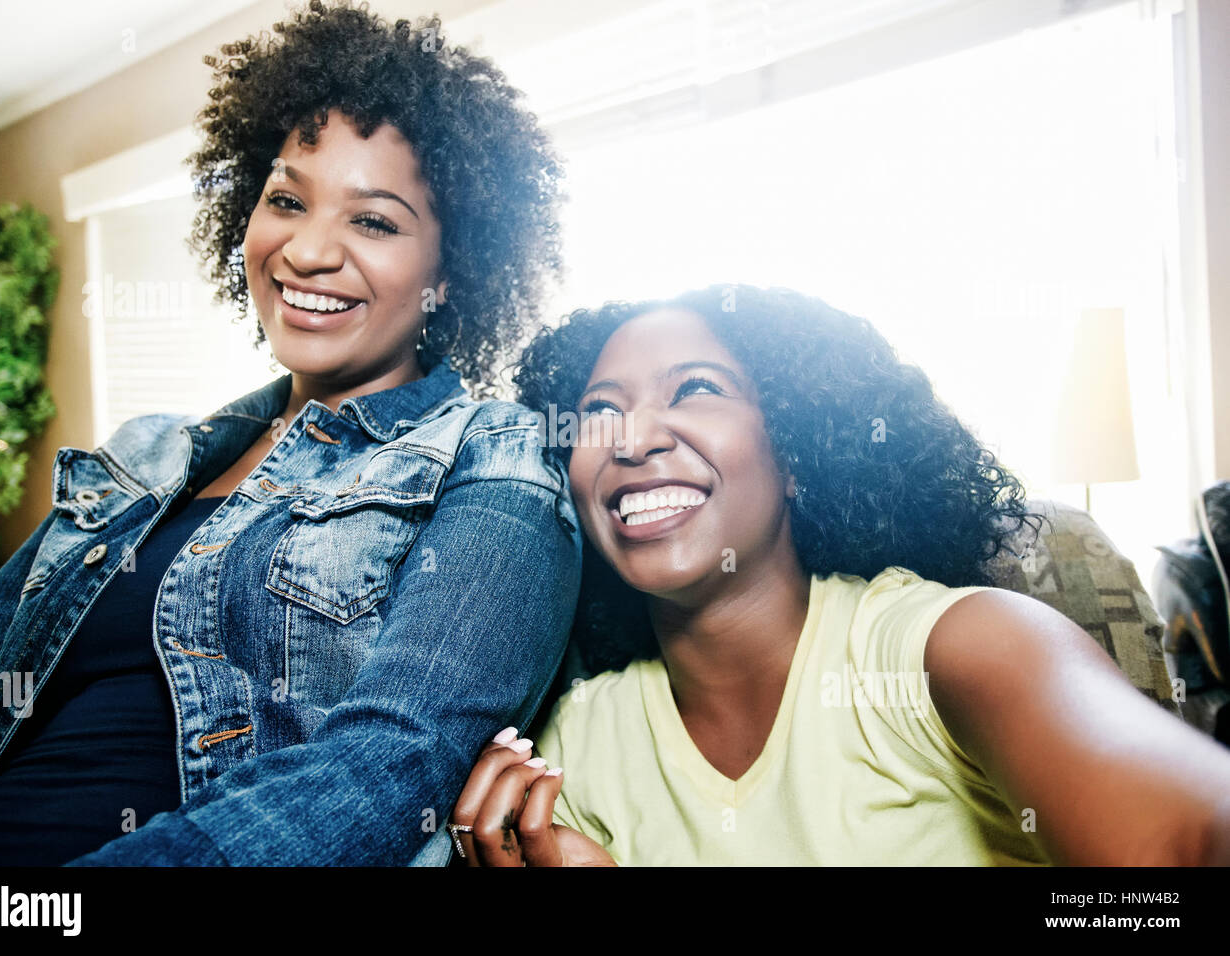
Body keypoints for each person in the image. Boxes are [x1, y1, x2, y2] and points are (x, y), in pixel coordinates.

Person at [0, 0, 580, 866]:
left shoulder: (496, 457)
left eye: (374, 220)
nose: (308, 252)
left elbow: (390, 768)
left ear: (452, 273)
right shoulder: (145, 454)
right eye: (286, 200)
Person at [451, 284, 1230, 866]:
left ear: (796, 454)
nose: (634, 439)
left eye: (695, 389)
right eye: (598, 410)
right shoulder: (572, 745)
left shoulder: (954, 647)